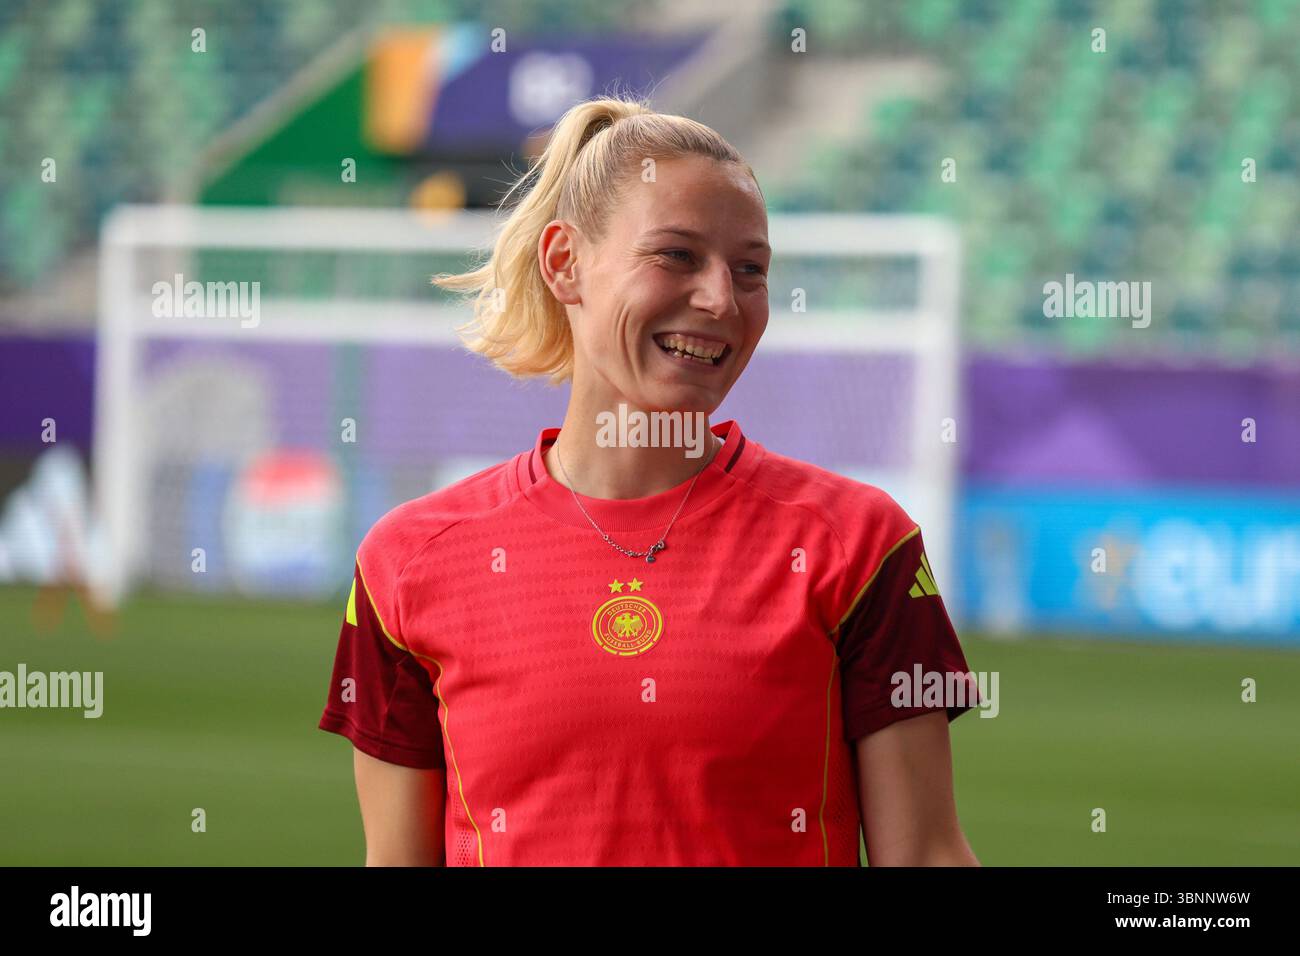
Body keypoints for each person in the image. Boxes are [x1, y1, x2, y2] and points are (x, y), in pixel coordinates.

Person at [319, 95, 980, 866]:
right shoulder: (407, 561)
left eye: (750, 270)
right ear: (565, 264)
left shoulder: (862, 545)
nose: (720, 300)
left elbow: (927, 854)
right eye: (676, 255)